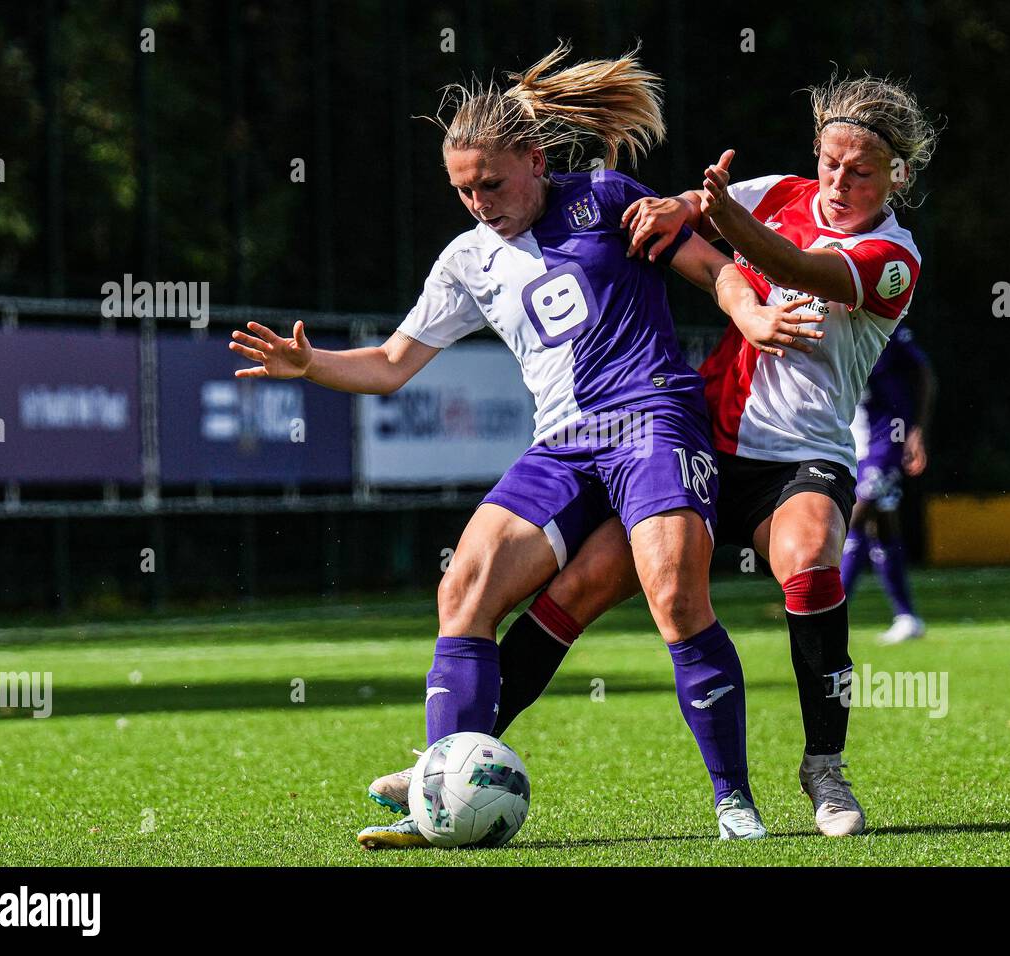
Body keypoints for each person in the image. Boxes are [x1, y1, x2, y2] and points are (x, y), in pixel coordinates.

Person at [231, 45, 812, 846]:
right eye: (462, 190)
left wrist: (753, 317)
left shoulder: (607, 197)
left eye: (491, 184)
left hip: (652, 422)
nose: (478, 203)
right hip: (565, 447)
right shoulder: (466, 260)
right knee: (463, 593)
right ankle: (441, 788)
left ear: (536, 161)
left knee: (675, 599)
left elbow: (714, 269)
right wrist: (309, 365)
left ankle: (733, 803)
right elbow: (394, 364)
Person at [371, 73, 938, 838]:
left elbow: (800, 270)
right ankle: (455, 757)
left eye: (860, 170)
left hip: (799, 457)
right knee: (576, 591)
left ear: (897, 175)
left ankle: (824, 770)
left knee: (808, 564)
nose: (838, 181)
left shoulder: (892, 256)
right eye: (829, 161)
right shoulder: (777, 193)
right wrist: (679, 207)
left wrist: (724, 219)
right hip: (702, 436)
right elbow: (681, 216)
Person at [842, 326, 936, 644]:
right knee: (880, 525)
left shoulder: (885, 328)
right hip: (853, 443)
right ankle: (907, 616)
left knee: (856, 513)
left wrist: (917, 430)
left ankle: (831, 608)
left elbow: (924, 373)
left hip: (888, 441)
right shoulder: (827, 327)